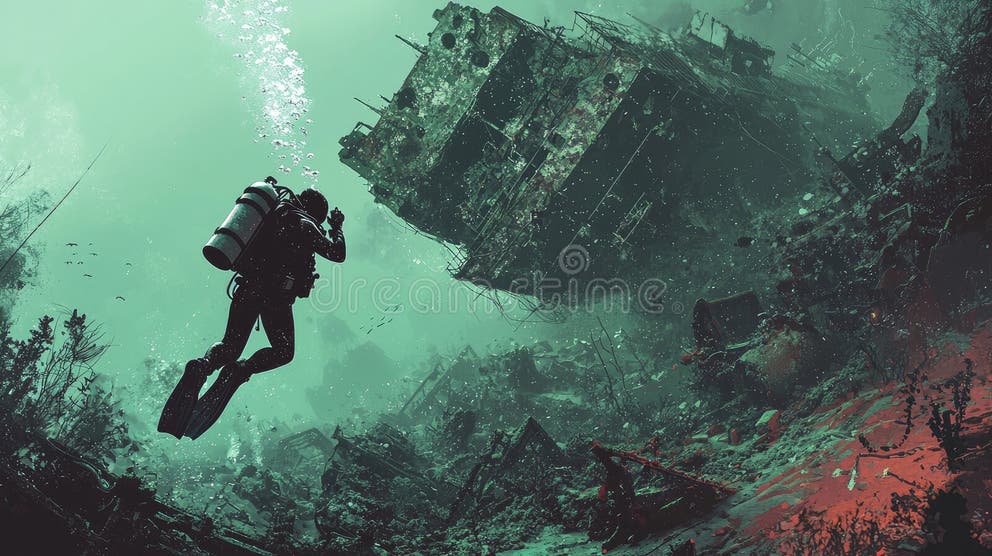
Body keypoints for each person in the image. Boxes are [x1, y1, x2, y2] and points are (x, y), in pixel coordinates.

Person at [158, 187, 345, 439]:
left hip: (248, 288)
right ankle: (240, 371)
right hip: (275, 297)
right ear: (316, 213)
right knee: (283, 351)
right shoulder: (305, 223)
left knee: (230, 345)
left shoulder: (277, 217)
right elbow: (337, 254)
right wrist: (337, 228)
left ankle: (203, 365)